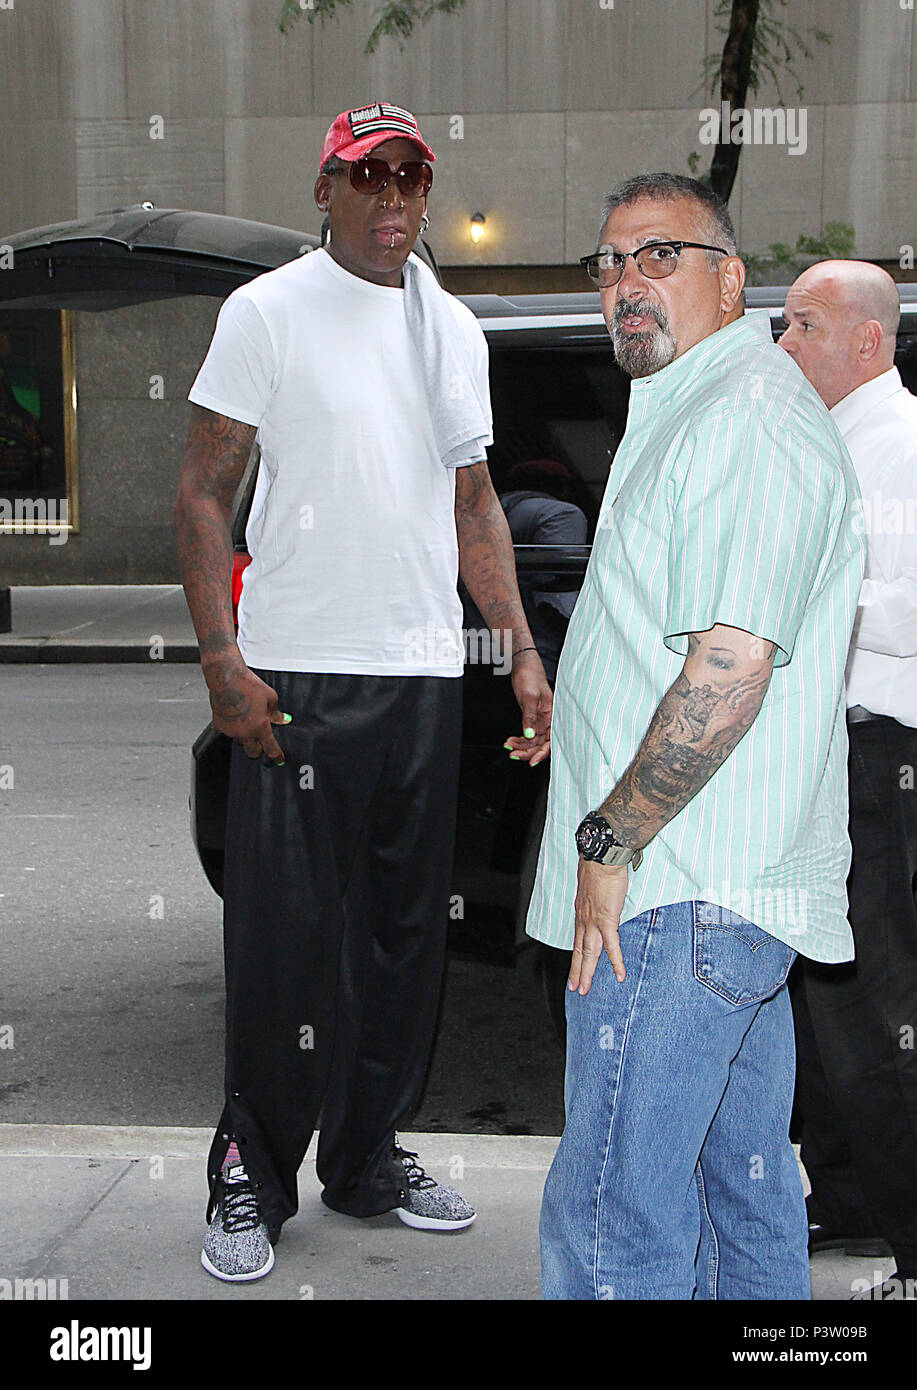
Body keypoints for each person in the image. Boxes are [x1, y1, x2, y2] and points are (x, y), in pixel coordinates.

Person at [174, 102, 552, 1283]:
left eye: (410, 176)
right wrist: (222, 659)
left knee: (401, 940)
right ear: (325, 188)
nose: (391, 196)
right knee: (283, 943)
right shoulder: (267, 311)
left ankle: (366, 1156)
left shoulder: (450, 327)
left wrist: (518, 648)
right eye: (367, 175)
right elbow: (201, 494)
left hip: (423, 674)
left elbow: (473, 505)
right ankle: (249, 1174)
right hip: (295, 675)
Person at [518, 172, 865, 1300]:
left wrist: (610, 839)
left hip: (677, 890)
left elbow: (730, 664)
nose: (626, 282)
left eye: (658, 255)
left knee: (613, 1215)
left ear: (729, 280)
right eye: (609, 263)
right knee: (738, 1193)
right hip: (710, 893)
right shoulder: (693, 406)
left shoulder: (745, 418)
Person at [780, 261, 917, 1301]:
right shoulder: (826, 438)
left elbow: (903, 614)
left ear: (865, 341)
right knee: (819, 1002)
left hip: (879, 759)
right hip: (822, 755)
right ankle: (849, 1196)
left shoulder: (900, 444)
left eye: (802, 325)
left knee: (879, 1017)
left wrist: (786, 596)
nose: (784, 344)